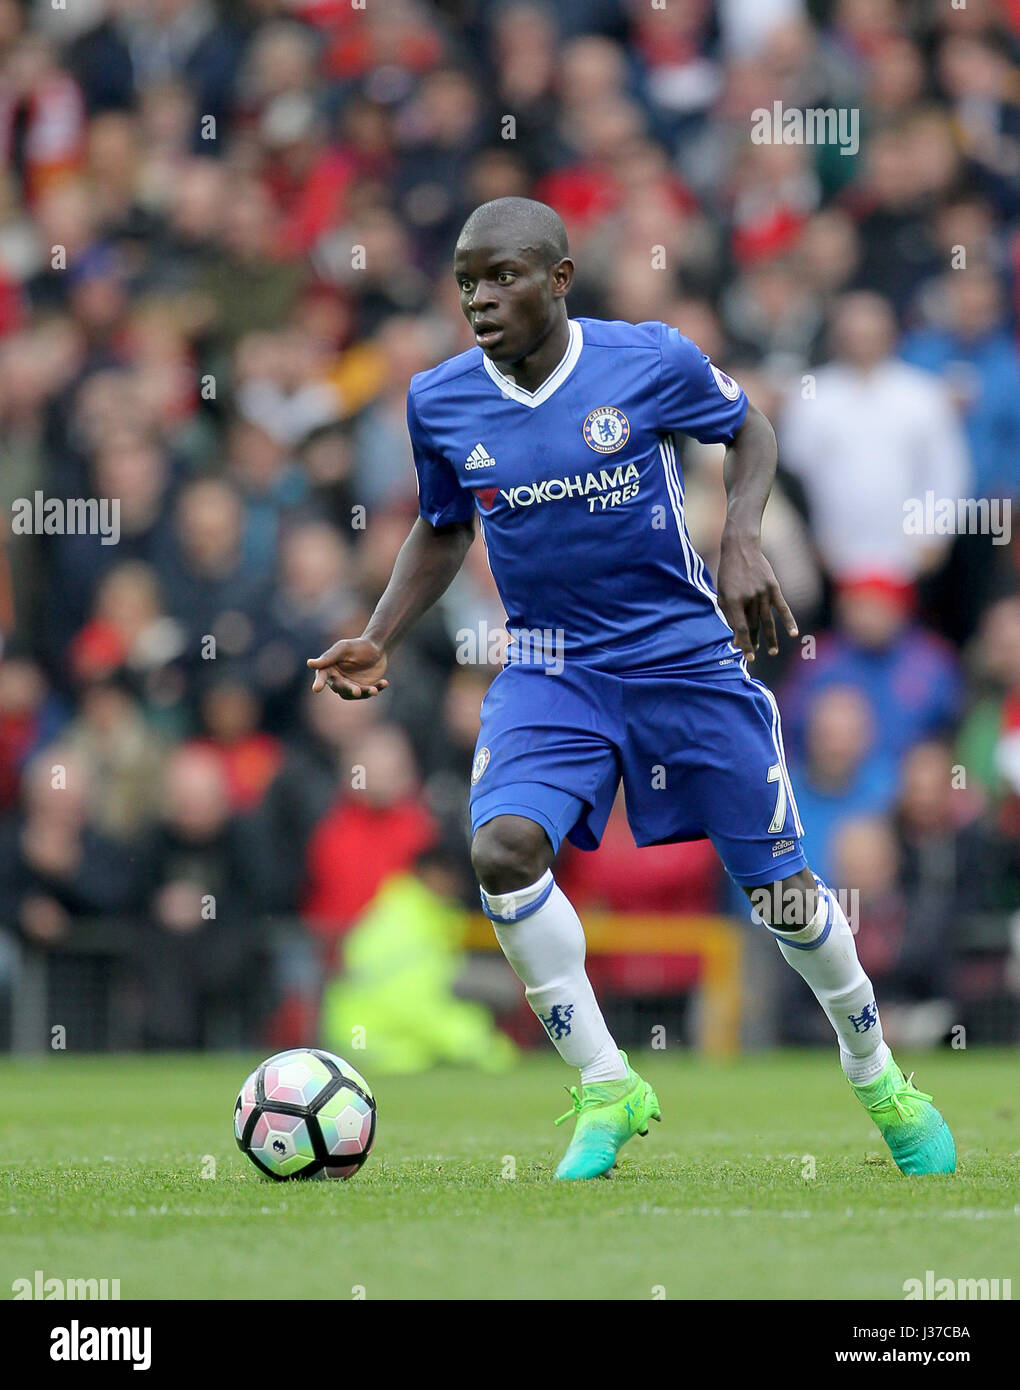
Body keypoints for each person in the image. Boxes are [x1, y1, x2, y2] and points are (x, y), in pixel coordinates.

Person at [308, 197, 955, 1181]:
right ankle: (608, 1082)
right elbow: (445, 527)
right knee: (501, 849)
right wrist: (378, 633)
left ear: (559, 279)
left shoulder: (646, 359)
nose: (482, 298)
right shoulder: (439, 398)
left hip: (681, 657)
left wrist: (739, 538)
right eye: (468, 281)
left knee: (780, 896)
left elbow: (752, 431)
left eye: (505, 276)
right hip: (548, 666)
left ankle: (878, 1076)